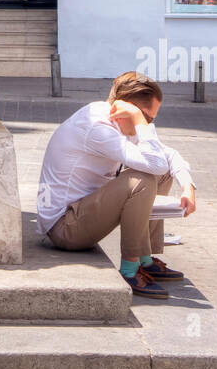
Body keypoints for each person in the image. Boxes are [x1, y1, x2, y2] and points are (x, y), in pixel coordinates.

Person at [36, 71, 197, 299]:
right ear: (128, 109)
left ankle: (145, 258)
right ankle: (130, 270)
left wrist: (187, 186)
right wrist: (141, 123)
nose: (149, 124)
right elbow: (156, 162)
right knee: (142, 180)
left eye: (152, 120)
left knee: (157, 174)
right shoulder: (98, 127)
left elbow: (166, 156)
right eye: (148, 118)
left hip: (84, 212)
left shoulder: (118, 119)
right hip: (64, 228)